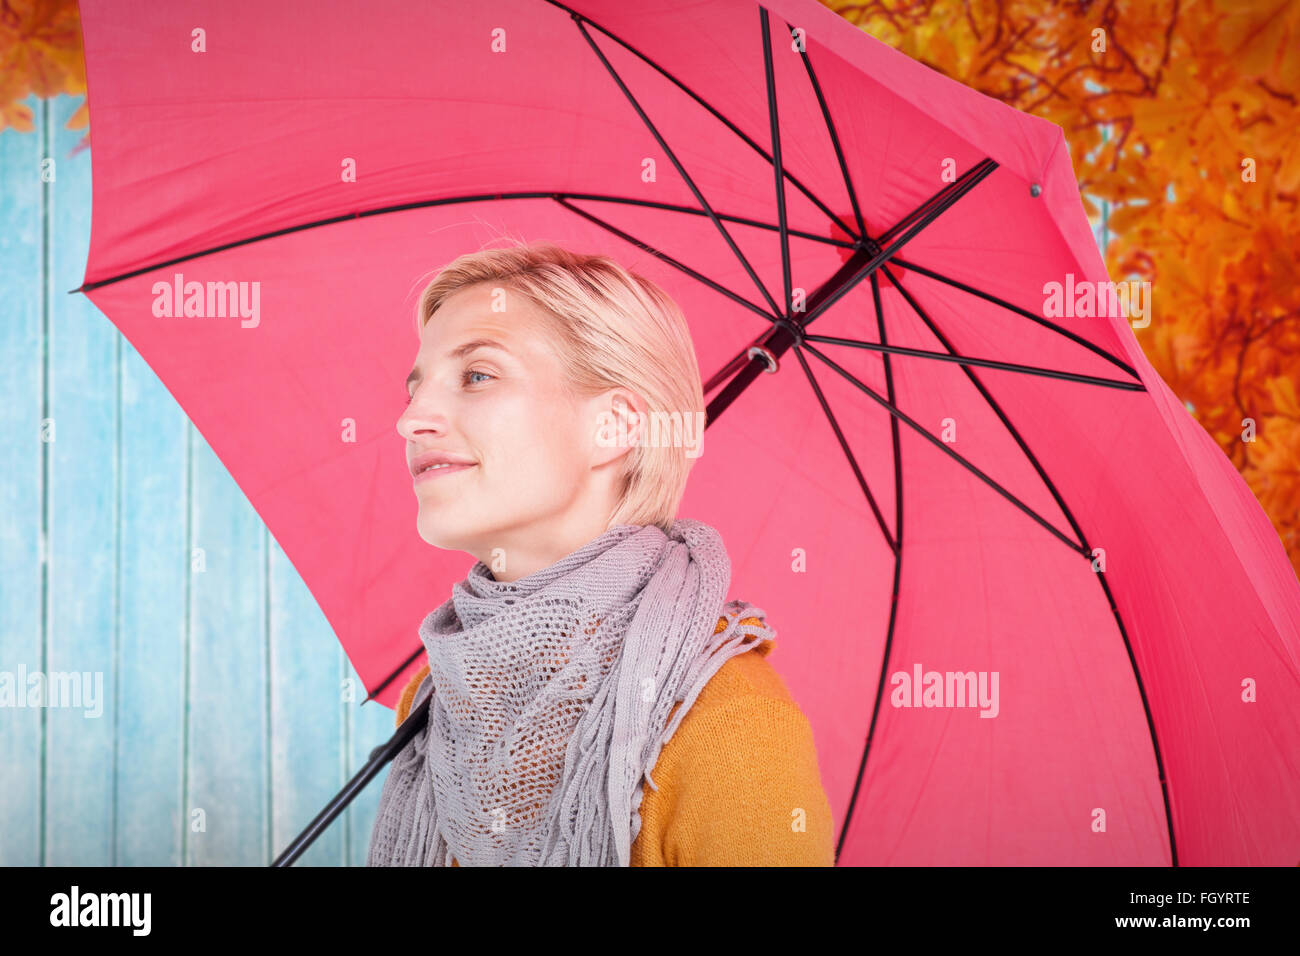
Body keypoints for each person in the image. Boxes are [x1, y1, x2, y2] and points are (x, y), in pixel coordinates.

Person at [366, 239, 834, 866]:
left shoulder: (729, 721)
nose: (412, 420)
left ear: (614, 426)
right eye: (414, 390)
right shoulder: (432, 703)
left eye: (477, 375)